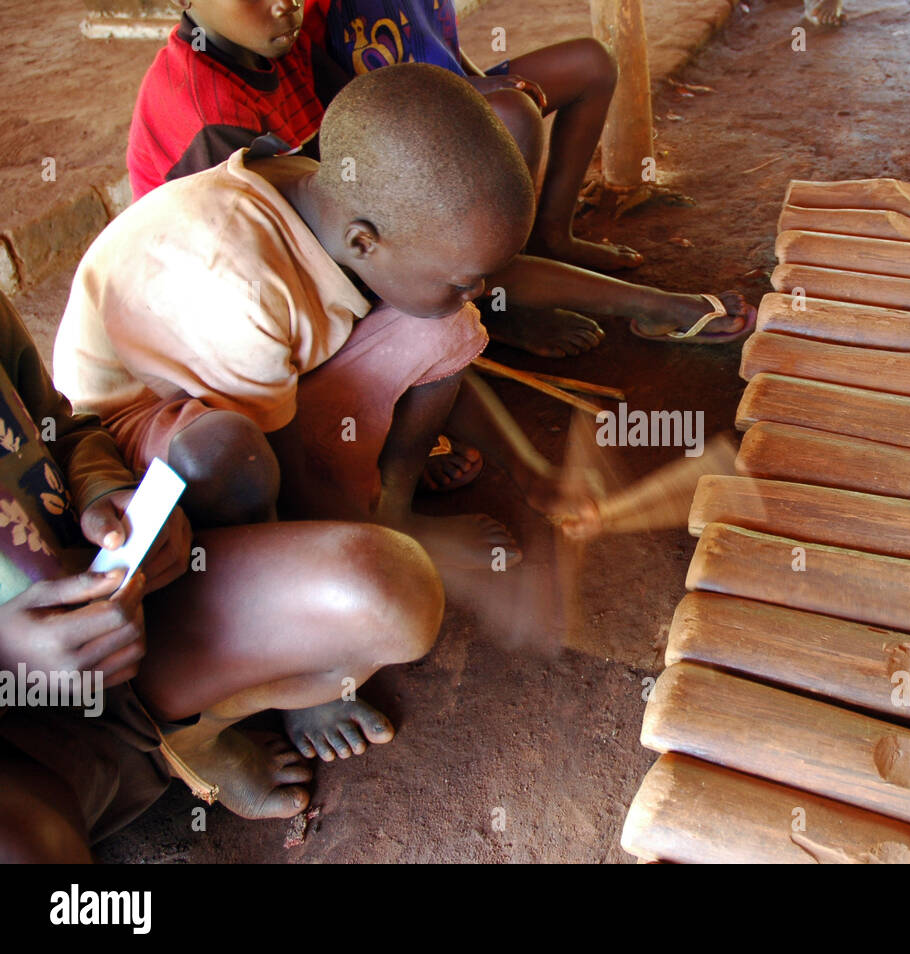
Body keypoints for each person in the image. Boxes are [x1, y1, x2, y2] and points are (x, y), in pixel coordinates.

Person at [57, 64, 606, 580]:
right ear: (364, 242)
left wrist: (528, 468)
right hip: (144, 420)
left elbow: (428, 350)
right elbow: (286, 470)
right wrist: (374, 550)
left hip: (249, 368)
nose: (480, 292)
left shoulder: (327, 201)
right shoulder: (243, 286)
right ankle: (347, 544)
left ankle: (393, 500)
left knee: (444, 325)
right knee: (232, 455)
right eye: (463, 278)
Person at [0, 289, 444, 860]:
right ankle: (182, 742)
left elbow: (59, 426)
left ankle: (193, 732)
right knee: (28, 845)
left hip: (130, 619)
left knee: (392, 589)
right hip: (30, 740)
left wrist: (108, 494)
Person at [126, 0, 755, 365]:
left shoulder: (274, 42)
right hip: (263, 289)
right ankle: (645, 308)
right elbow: (242, 277)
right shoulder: (203, 119)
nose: (284, 2)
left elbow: (358, 118)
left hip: (327, 210)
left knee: (458, 218)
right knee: (437, 256)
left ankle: (518, 291)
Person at [323, 0, 643, 271]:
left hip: (448, 94)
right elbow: (346, 97)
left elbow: (439, 44)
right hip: (392, 133)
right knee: (512, 111)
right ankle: (506, 277)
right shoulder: (314, 9)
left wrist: (478, 80)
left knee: (592, 62)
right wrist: (473, 89)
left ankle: (552, 237)